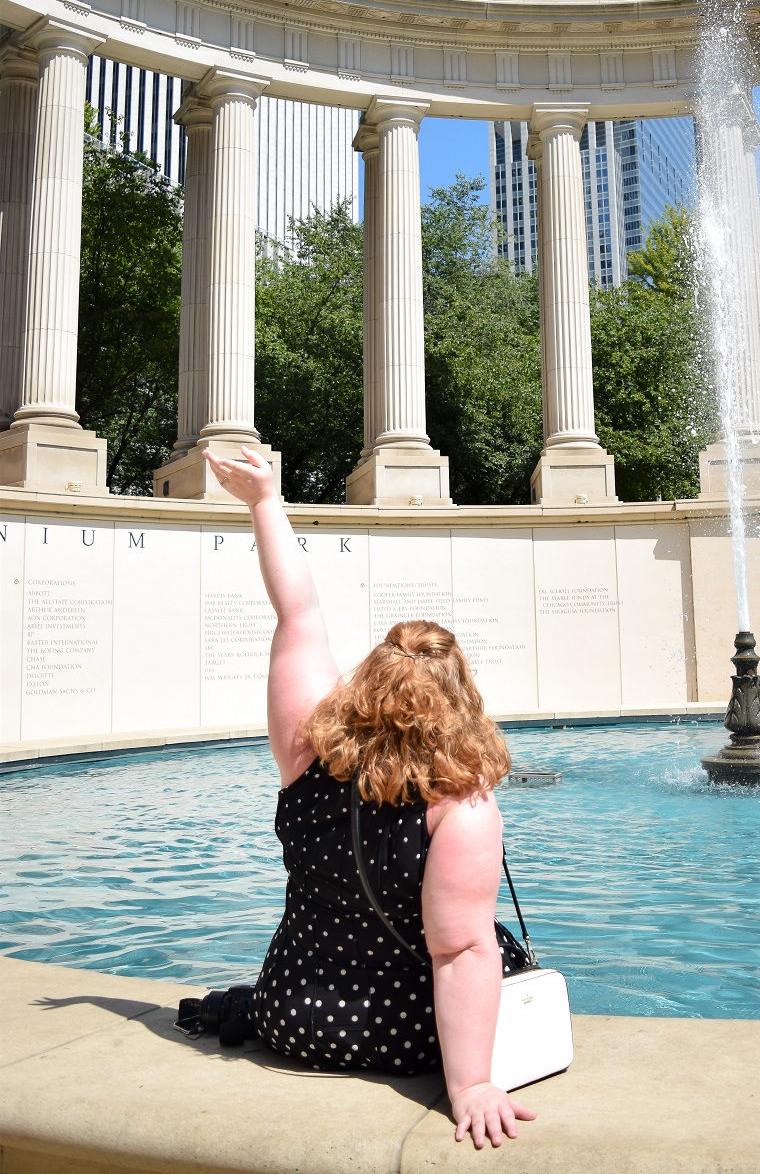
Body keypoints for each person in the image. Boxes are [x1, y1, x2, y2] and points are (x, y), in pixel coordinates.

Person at [203, 444, 537, 1151]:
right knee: (493, 946)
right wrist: (471, 1085)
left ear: (367, 682)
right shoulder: (461, 807)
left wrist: (266, 501)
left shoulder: (304, 752)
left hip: (294, 1013)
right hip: (407, 1036)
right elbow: (461, 953)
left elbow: (297, 614)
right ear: (459, 701)